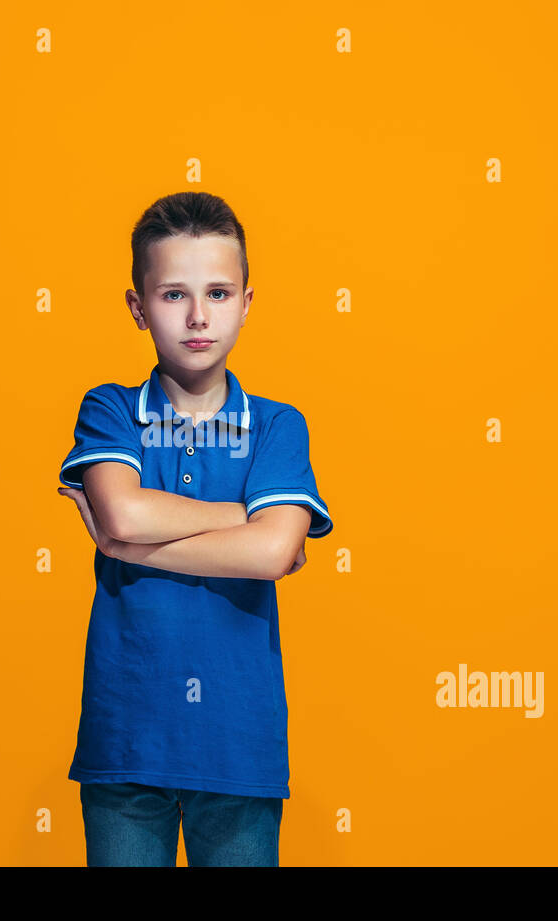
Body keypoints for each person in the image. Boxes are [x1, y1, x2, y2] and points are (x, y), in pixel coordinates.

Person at [56, 191, 333, 866]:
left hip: (239, 743)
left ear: (246, 302)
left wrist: (128, 547)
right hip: (126, 738)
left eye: (218, 292)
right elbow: (123, 514)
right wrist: (245, 516)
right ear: (138, 307)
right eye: (174, 294)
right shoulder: (111, 409)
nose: (198, 316)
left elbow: (272, 553)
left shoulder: (276, 424)